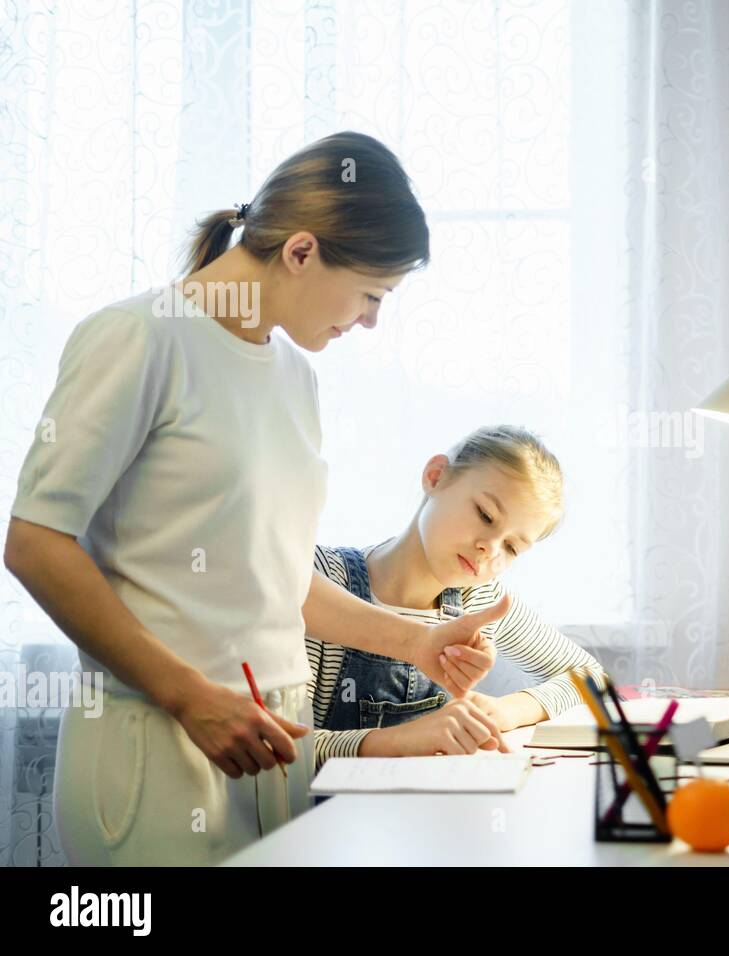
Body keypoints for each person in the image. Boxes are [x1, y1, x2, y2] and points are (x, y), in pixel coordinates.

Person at [4, 131, 503, 865]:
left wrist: (416, 642)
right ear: (301, 251)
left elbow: (270, 576)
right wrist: (187, 696)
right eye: (372, 294)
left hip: (277, 741)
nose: (371, 320)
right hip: (159, 744)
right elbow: (35, 543)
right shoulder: (140, 339)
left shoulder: (294, 379)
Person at [309, 425, 606, 770]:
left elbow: (592, 677)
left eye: (511, 547)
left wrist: (507, 710)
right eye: (485, 515)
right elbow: (280, 752)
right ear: (436, 477)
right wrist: (400, 741)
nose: (490, 548)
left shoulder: (481, 600)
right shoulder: (321, 580)